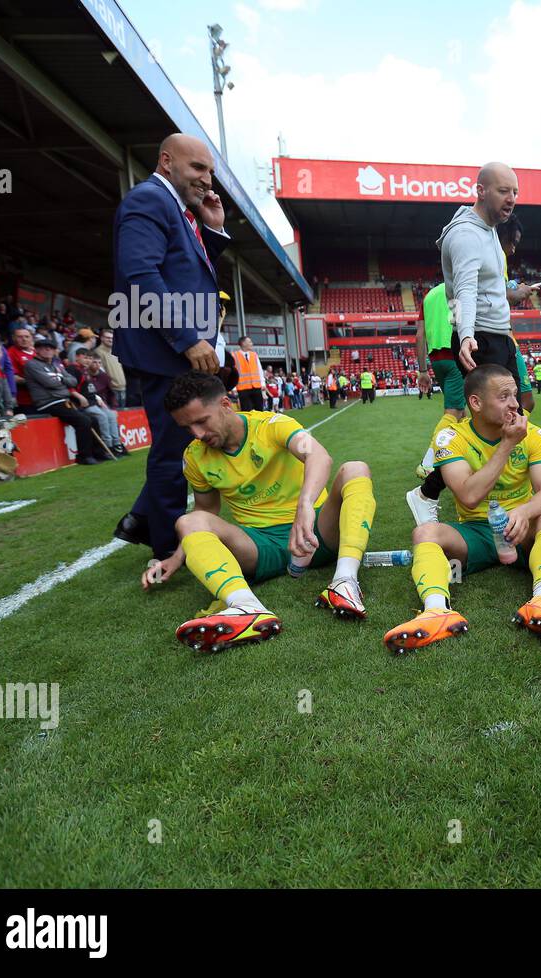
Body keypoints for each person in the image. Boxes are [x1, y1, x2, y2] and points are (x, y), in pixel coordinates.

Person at [141, 371, 377, 650]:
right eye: (187, 428)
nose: (198, 434)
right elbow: (206, 513)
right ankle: (245, 606)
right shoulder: (194, 457)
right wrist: (177, 556)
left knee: (355, 469)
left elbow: (318, 455)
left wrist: (305, 506)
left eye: (202, 421)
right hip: (259, 546)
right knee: (188, 520)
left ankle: (344, 581)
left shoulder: (272, 425)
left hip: (316, 534)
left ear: (226, 405)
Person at [386, 364, 541, 651]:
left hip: (521, 529)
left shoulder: (534, 434)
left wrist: (523, 512)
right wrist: (507, 445)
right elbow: (469, 496)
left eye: (514, 395)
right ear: (476, 403)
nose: (515, 404)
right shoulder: (451, 438)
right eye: (504, 396)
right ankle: (437, 611)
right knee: (424, 533)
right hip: (477, 531)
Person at [112, 133, 230, 560]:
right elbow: (140, 275)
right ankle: (165, 547)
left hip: (175, 349)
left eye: (210, 171)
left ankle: (141, 519)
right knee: (173, 450)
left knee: (180, 443)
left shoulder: (181, 210)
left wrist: (213, 229)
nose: (206, 179)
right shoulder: (149, 200)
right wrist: (187, 338)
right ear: (166, 161)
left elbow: (188, 269)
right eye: (198, 167)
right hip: (166, 349)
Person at [438, 162, 525, 385]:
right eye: (503, 191)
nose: (512, 199)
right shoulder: (466, 234)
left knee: (514, 414)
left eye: (515, 192)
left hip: (497, 336)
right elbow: (463, 290)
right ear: (480, 191)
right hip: (480, 340)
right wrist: (465, 335)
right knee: (500, 417)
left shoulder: (488, 228)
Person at [406, 282, 468, 524]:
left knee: (461, 413)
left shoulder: (429, 296)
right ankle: (429, 462)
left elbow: (419, 334)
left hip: (436, 359)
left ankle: (456, 459)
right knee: (455, 410)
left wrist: (422, 369)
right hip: (455, 353)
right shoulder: (458, 288)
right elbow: (462, 322)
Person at [23, 337, 106, 465]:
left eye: (51, 348)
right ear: (37, 350)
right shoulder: (31, 364)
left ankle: (98, 452)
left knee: (93, 419)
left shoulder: (56, 364)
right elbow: (49, 383)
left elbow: (73, 381)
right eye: (44, 348)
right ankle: (84, 456)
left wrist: (59, 379)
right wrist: (62, 381)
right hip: (48, 402)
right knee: (83, 420)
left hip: (63, 400)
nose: (48, 350)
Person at [497, 215, 538, 412]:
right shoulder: (497, 257)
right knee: (525, 402)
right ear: (502, 234)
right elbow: (503, 299)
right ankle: (514, 439)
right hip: (502, 338)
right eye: (512, 242)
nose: (514, 248)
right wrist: (521, 292)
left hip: (494, 336)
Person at [72, 350, 126, 457]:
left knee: (110, 415)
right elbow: (73, 388)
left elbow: (105, 392)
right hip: (84, 404)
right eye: (86, 358)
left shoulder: (90, 372)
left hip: (95, 402)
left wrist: (102, 400)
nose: (88, 361)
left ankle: (117, 445)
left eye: (89, 358)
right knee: (102, 416)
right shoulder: (74, 370)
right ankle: (107, 446)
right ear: (77, 357)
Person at [94, 328, 128, 407]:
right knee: (115, 413)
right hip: (111, 389)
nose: (110, 340)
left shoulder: (115, 351)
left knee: (122, 414)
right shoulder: (98, 352)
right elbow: (100, 372)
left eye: (112, 338)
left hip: (122, 387)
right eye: (108, 338)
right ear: (101, 338)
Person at [232, 336, 266, 411]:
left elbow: (259, 370)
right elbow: (233, 373)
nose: (252, 344)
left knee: (259, 410)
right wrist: (234, 387)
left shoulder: (254, 355)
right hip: (242, 389)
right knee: (246, 410)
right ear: (243, 343)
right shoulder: (235, 356)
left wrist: (263, 383)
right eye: (250, 342)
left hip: (256, 387)